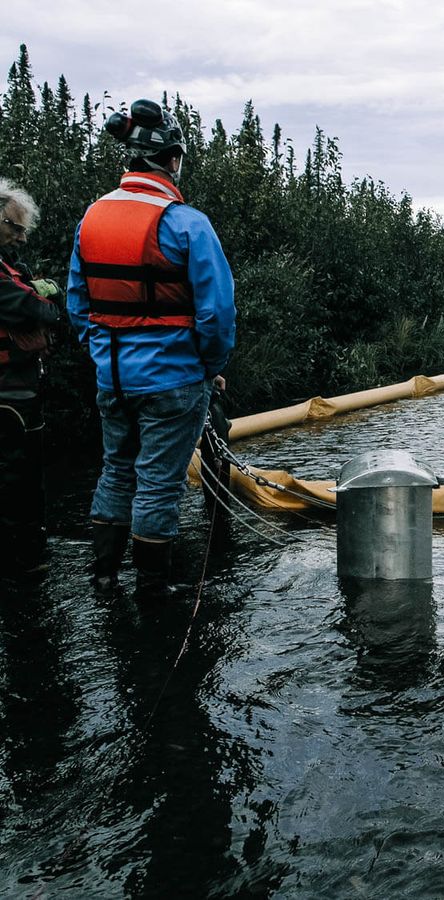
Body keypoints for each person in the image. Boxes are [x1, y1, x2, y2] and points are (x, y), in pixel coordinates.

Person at [67, 98, 236, 594]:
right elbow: (217, 313)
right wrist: (208, 366)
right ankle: (152, 585)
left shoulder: (91, 218)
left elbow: (78, 303)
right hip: (174, 377)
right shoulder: (187, 222)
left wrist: (101, 354)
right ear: (173, 159)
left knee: (116, 471)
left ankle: (103, 576)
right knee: (159, 481)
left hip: (112, 376)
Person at [0, 179, 62, 575]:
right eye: (17, 228)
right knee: (13, 479)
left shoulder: (11, 268)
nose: (22, 238)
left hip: (22, 389)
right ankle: (18, 564)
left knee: (27, 478)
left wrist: (40, 297)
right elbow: (36, 311)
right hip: (8, 395)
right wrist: (43, 297)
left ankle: (30, 554)